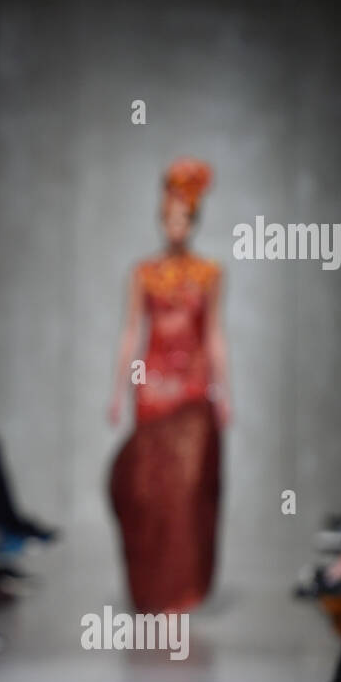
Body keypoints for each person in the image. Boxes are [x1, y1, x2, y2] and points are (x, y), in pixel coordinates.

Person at [107, 157, 231, 613]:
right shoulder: (144, 273)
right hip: (153, 384)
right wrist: (118, 392)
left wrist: (224, 394)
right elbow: (131, 331)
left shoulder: (210, 273)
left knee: (191, 487)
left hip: (194, 386)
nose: (175, 226)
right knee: (152, 486)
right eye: (168, 218)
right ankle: (154, 585)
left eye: (182, 218)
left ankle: (186, 585)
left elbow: (214, 333)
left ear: (193, 222)